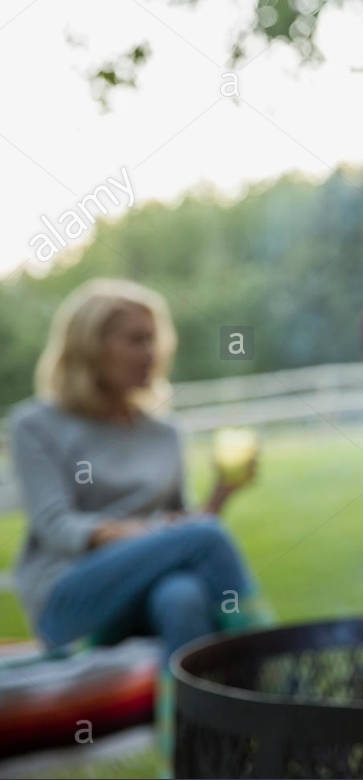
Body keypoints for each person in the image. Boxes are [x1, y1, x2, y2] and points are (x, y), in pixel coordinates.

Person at [9, 279, 268, 661]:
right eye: (136, 340)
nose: (152, 353)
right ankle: (271, 663)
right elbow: (56, 526)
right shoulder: (36, 425)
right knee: (204, 541)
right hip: (68, 596)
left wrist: (221, 494)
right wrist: (143, 534)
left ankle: (186, 718)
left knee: (183, 598)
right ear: (91, 348)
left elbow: (186, 530)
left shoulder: (164, 432)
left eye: (154, 340)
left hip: (152, 582)